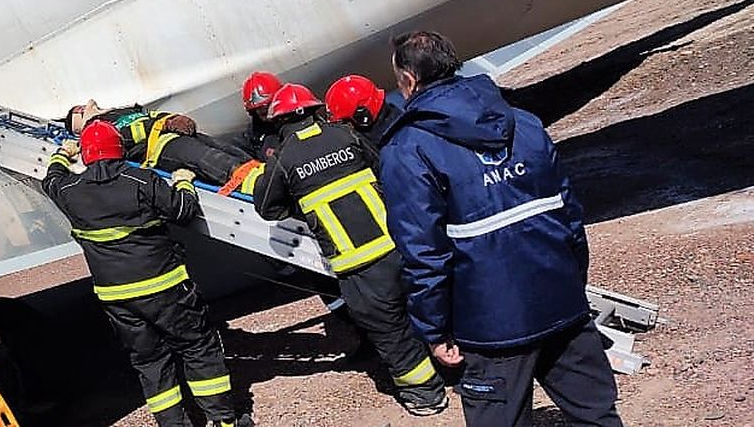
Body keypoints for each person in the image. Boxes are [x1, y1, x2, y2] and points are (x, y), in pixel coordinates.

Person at [377, 31, 620, 427]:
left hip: (490, 330)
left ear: (407, 80)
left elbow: (423, 252)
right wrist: (573, 281)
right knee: (596, 416)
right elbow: (569, 213)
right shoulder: (523, 123)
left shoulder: (408, 150)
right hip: (562, 305)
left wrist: (434, 330)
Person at [250, 83, 448, 416]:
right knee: (431, 305)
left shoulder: (284, 160)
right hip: (400, 245)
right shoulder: (346, 136)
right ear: (315, 109)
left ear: (279, 121)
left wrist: (300, 208)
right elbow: (382, 170)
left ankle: (426, 395)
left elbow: (266, 207)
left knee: (390, 331)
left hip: (358, 265)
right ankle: (458, 364)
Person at [42, 121, 253, 427]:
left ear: (86, 154)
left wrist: (63, 153)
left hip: (118, 299)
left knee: (150, 362)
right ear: (119, 149)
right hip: (165, 288)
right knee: (198, 347)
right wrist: (183, 181)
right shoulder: (140, 180)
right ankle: (223, 421)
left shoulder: (69, 192)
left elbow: (51, 178)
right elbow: (182, 211)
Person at [63, 100, 261, 195]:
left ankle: (266, 176)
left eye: (80, 107)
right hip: (159, 148)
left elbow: (149, 115)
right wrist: (161, 125)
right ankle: (258, 187)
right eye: (78, 112)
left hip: (174, 134)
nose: (82, 108)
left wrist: (171, 118)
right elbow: (124, 138)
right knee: (213, 160)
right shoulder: (96, 132)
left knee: (229, 151)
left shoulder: (119, 112)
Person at [234, 71, 283, 161]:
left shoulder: (297, 121)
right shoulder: (252, 137)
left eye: (268, 105)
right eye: (259, 109)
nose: (264, 110)